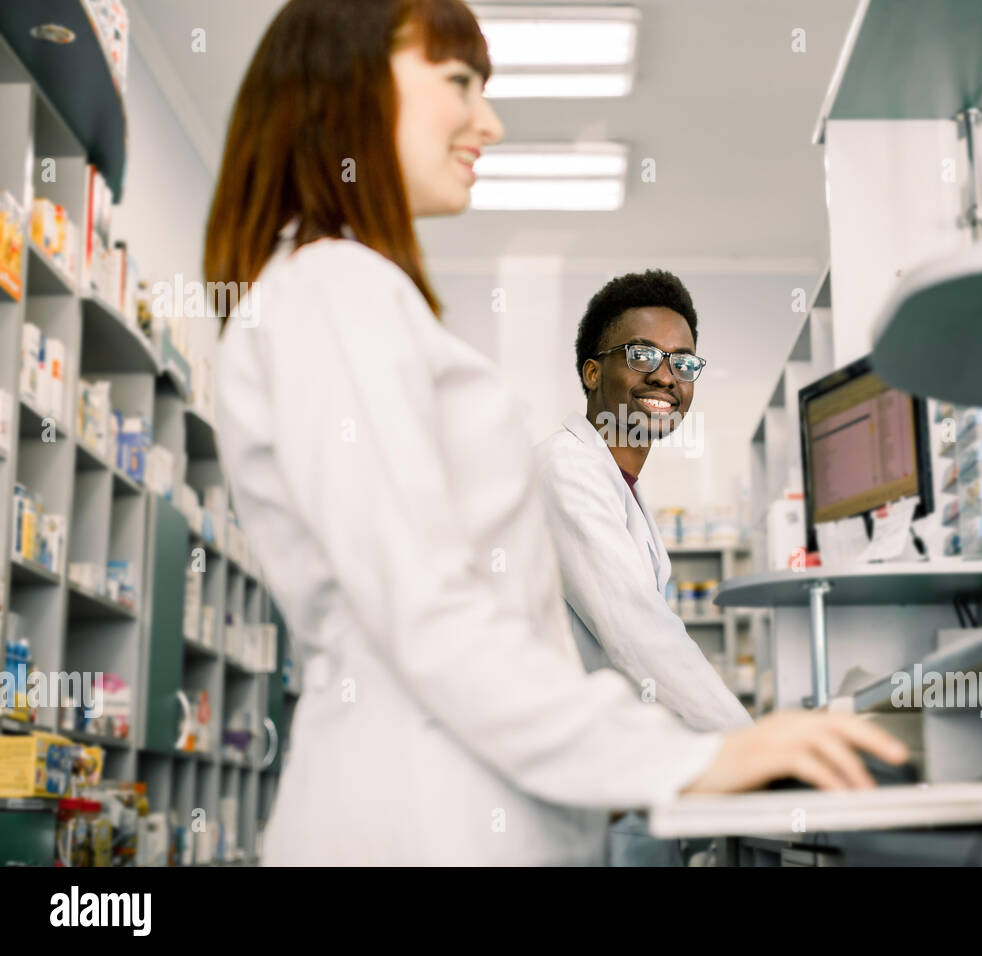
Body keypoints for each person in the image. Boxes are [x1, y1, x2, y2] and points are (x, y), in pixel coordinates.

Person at [205, 0, 907, 866]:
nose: (488, 122)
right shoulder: (333, 288)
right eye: (459, 82)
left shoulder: (325, 289)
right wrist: (709, 755)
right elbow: (435, 619)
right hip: (418, 822)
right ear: (346, 85)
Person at [537, 271, 753, 866]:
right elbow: (640, 634)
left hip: (612, 788)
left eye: (684, 363)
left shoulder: (622, 491)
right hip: (569, 802)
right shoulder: (565, 471)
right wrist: (753, 748)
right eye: (643, 355)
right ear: (591, 372)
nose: (666, 376)